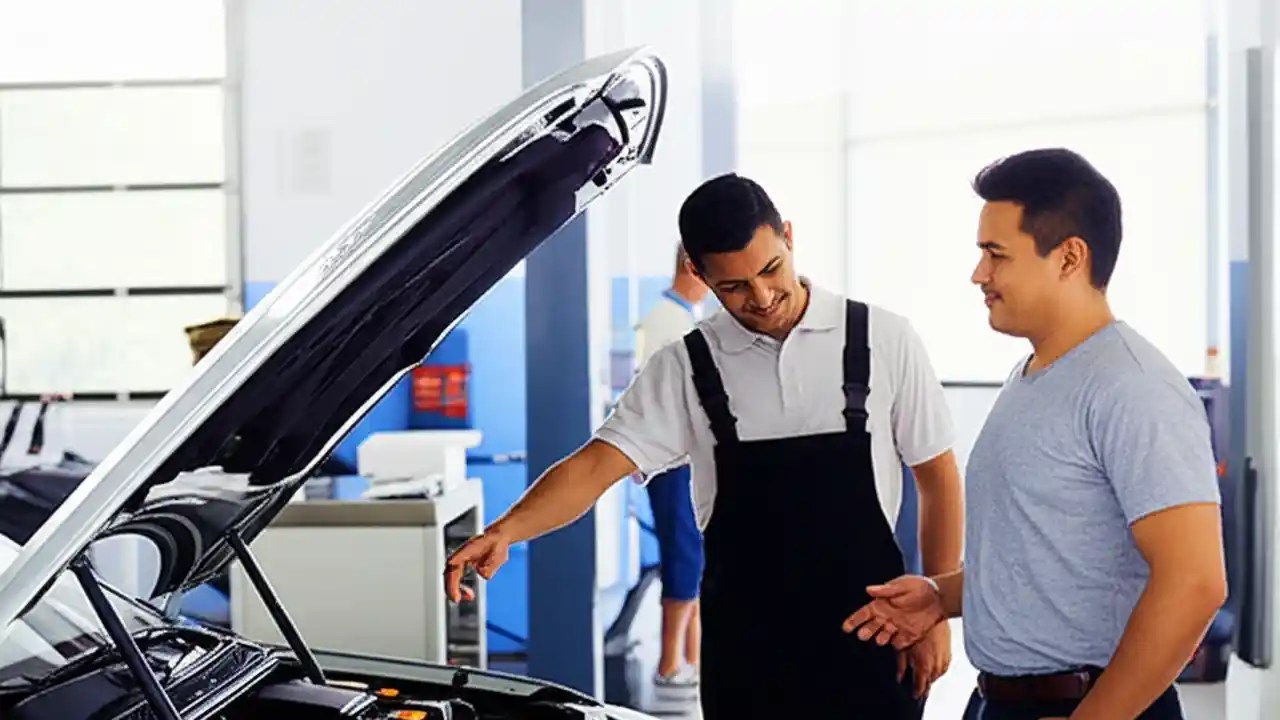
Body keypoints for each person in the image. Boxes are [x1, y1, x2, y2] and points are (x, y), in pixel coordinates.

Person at [444, 173, 965, 718]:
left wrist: (934, 605)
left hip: (876, 638)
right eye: (734, 287)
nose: (761, 297)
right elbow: (596, 465)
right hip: (748, 656)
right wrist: (508, 529)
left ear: (787, 236)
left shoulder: (883, 338)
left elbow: (938, 475)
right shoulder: (686, 365)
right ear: (697, 273)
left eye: (770, 269)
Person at [842, 148, 1227, 720]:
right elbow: (1050, 558)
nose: (979, 275)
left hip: (1089, 704)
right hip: (1002, 700)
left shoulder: (1133, 386)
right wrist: (941, 596)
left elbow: (1196, 582)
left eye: (996, 255)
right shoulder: (1033, 376)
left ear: (1070, 257)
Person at [632, 244, 709, 710]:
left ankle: (693, 663)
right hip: (672, 462)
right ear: (692, 266)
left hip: (686, 460)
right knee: (683, 559)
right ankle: (668, 666)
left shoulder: (681, 316)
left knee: (695, 560)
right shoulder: (668, 320)